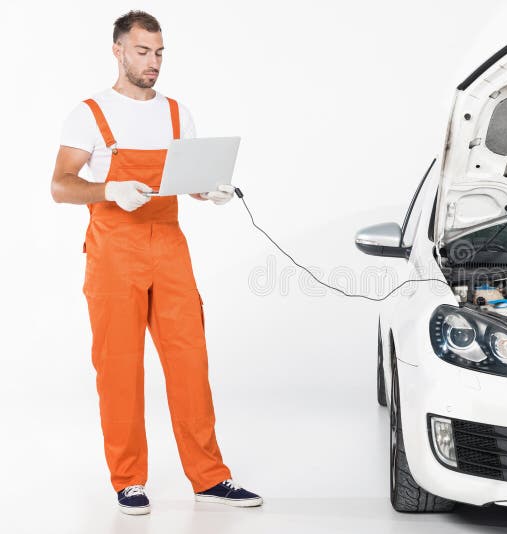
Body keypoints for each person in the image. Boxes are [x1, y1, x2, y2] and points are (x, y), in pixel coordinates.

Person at [50, 10, 261, 515]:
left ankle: (210, 478)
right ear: (118, 51)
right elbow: (60, 185)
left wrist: (209, 190)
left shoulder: (175, 113)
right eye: (143, 51)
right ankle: (128, 480)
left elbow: (184, 179)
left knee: (190, 363)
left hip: (169, 245)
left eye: (160, 52)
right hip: (113, 251)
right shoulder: (88, 113)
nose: (153, 62)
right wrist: (107, 189)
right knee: (119, 368)